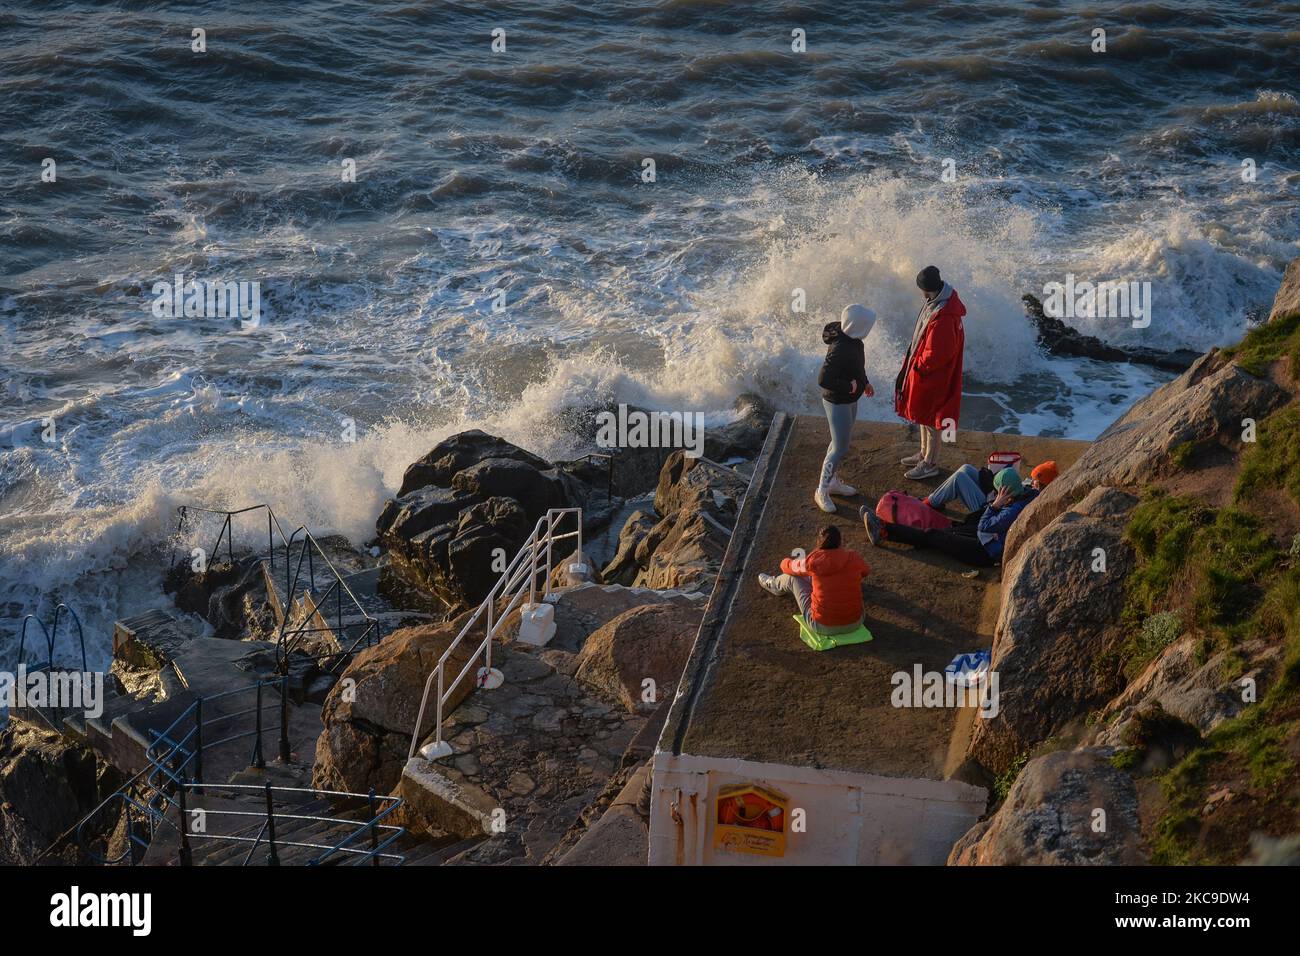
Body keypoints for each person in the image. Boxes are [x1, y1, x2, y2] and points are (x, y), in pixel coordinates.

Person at [860, 467, 1037, 567]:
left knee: (933, 535)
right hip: (986, 538)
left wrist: (994, 506)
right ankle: (887, 527)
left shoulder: (1010, 510)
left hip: (983, 551)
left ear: (1006, 495)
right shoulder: (1025, 495)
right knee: (946, 530)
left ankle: (884, 530)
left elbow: (984, 526)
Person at [895, 266, 966, 481]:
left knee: (934, 419)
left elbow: (938, 354)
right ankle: (923, 454)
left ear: (927, 289)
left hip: (934, 376)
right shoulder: (939, 304)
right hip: (929, 374)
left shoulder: (944, 315)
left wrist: (918, 365)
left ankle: (930, 463)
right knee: (924, 416)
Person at [815, 303, 876, 513]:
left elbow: (857, 366)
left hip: (850, 399)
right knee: (840, 447)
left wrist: (864, 382)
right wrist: (847, 386)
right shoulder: (840, 347)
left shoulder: (855, 341)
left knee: (838, 443)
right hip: (837, 401)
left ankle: (831, 482)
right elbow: (823, 379)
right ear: (857, 326)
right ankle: (822, 489)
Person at [758, 524, 870, 636]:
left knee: (792, 578)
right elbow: (865, 572)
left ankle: (774, 585)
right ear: (840, 542)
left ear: (819, 542)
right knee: (829, 580)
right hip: (856, 622)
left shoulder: (813, 562)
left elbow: (786, 567)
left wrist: (785, 561)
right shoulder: (854, 557)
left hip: (822, 625)